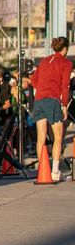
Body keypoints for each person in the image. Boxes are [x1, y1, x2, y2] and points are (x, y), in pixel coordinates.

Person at [31, 37, 72, 182]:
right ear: (65, 48)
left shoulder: (44, 61)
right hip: (53, 100)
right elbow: (65, 85)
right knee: (58, 136)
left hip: (39, 100)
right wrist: (65, 105)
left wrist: (41, 88)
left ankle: (42, 169)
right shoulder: (66, 63)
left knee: (41, 137)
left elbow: (33, 79)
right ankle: (55, 171)